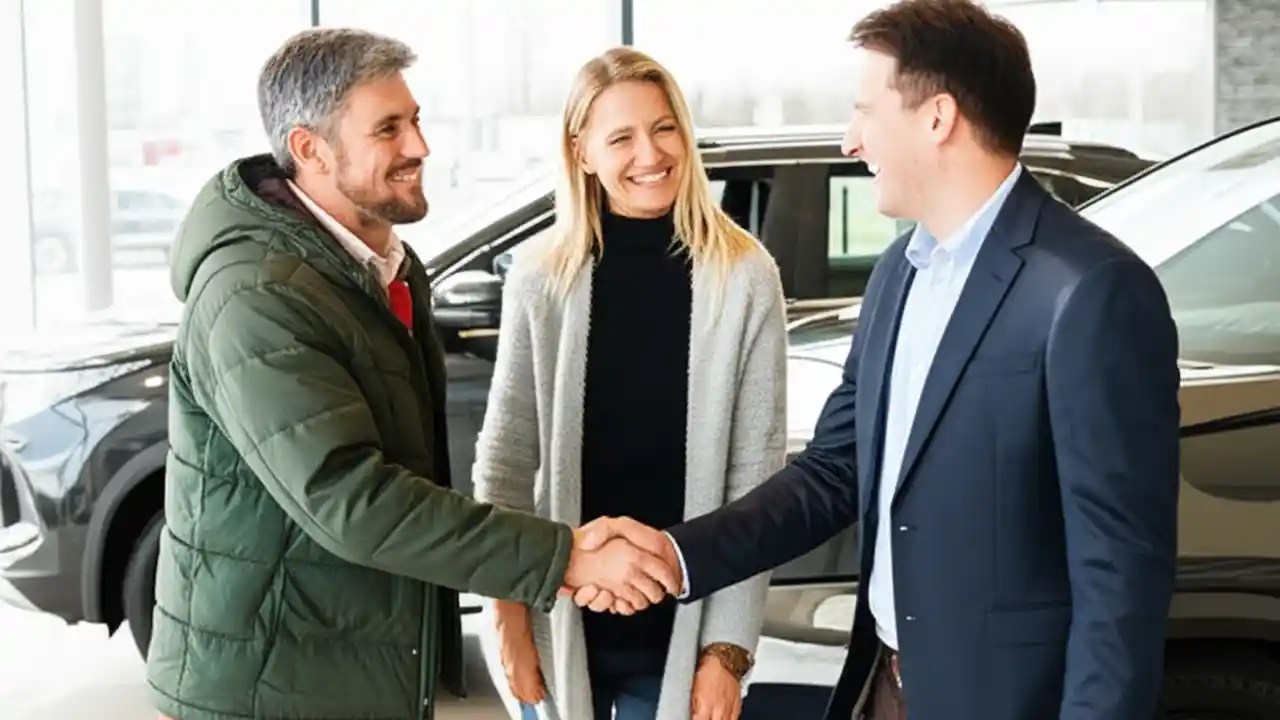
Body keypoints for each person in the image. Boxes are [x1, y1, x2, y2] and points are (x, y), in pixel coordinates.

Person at [571, 1, 1183, 719]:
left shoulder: (1091, 289)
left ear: (938, 118)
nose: (851, 139)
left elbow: (1120, 579)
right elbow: (834, 471)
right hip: (883, 685)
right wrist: (676, 557)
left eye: (866, 110)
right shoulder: (901, 270)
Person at [147, 28, 678, 720]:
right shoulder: (255, 293)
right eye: (388, 129)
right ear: (310, 150)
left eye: (416, 120)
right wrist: (566, 559)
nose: (420, 147)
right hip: (266, 690)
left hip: (346, 671)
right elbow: (352, 498)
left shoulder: (376, 266)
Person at [471, 46, 787, 720]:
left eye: (664, 127)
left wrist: (727, 653)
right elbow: (503, 466)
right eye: (621, 137)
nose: (651, 153)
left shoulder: (744, 276)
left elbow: (756, 484)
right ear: (582, 152)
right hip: (561, 627)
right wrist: (507, 624)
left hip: (684, 633)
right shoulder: (540, 278)